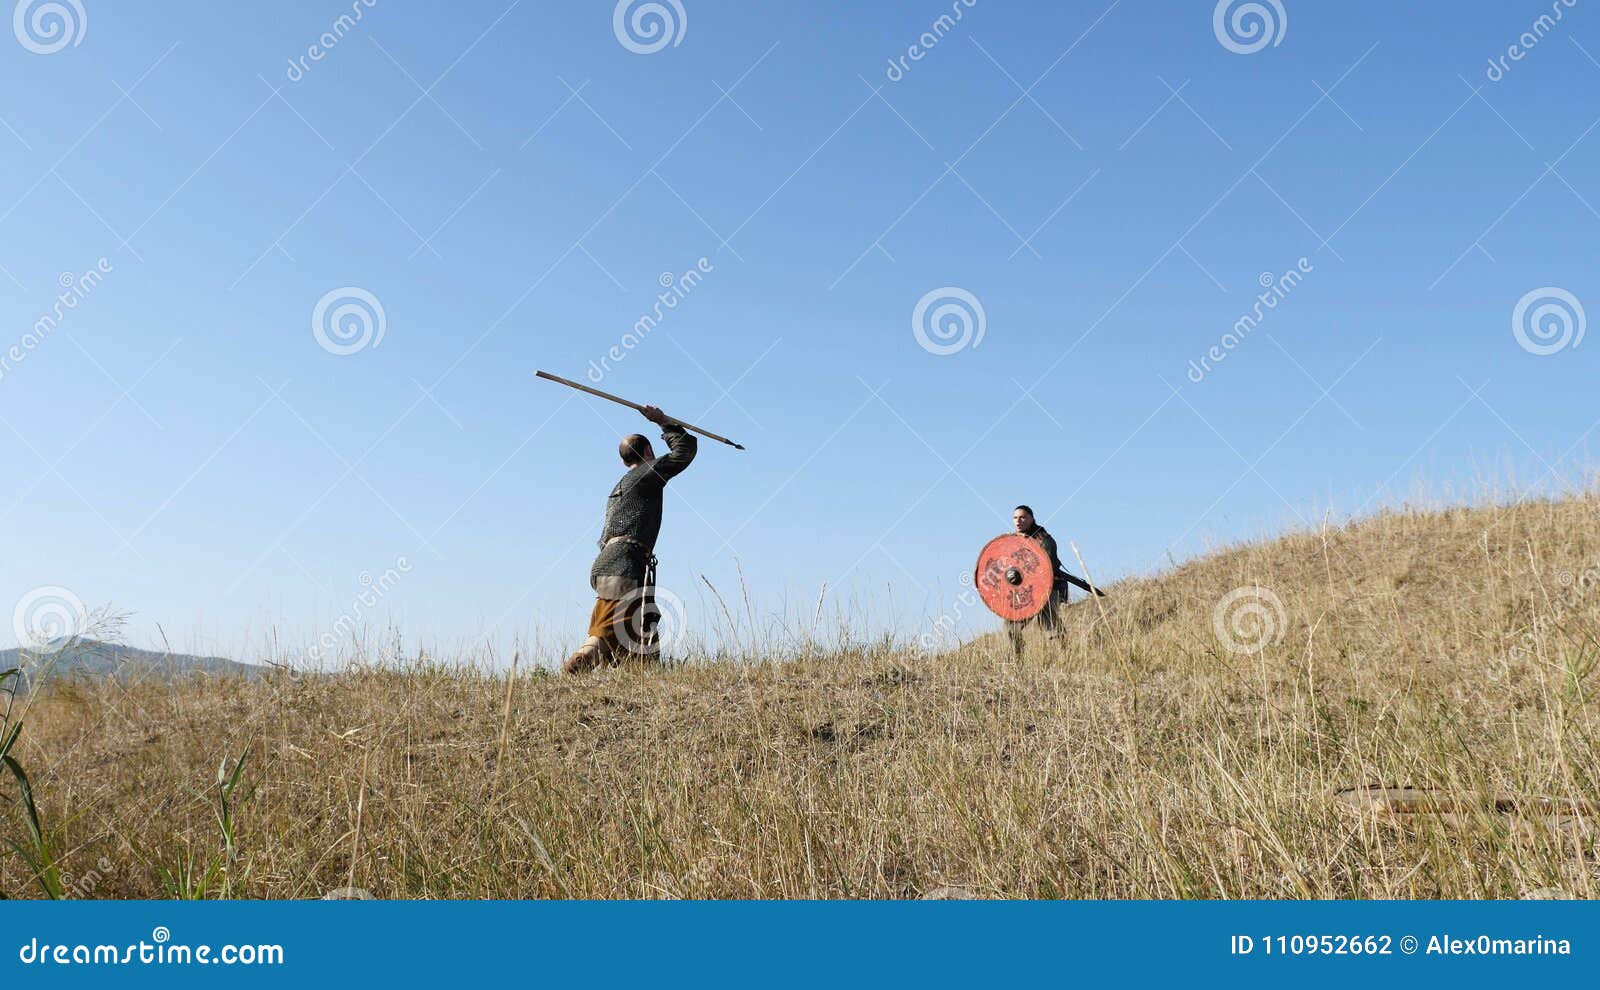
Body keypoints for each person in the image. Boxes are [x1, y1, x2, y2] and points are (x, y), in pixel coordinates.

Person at [563, 404, 697, 674]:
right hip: (625, 565)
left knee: (641, 631)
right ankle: (583, 659)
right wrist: (663, 421)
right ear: (648, 453)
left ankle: (642, 679)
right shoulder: (646, 474)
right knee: (606, 632)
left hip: (609, 565)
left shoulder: (620, 487)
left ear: (624, 461)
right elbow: (684, 451)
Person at [1006, 505, 1068, 656]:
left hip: (1050, 588)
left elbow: (1045, 567)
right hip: (1026, 591)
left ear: (1032, 519)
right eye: (1015, 518)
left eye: (1022, 517)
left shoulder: (1044, 540)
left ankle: (1064, 656)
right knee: (1011, 626)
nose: (1018, 521)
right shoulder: (1014, 541)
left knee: (1048, 622)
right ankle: (1017, 659)